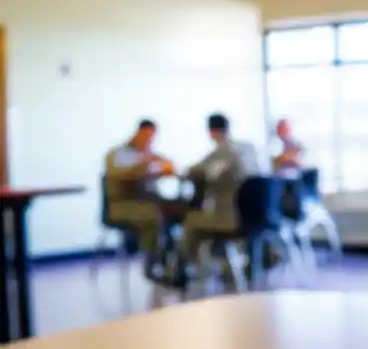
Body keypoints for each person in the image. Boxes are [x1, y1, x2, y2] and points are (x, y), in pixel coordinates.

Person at [178, 113, 264, 276]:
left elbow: (197, 172)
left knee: (190, 222)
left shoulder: (222, 153)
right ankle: (224, 262)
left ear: (211, 132)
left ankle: (184, 273)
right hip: (258, 217)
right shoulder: (249, 148)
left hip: (233, 219)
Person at [104, 119, 175, 275]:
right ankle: (152, 265)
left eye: (151, 137)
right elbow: (121, 173)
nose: (148, 140)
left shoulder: (149, 154)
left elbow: (170, 165)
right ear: (137, 133)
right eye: (146, 136)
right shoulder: (118, 154)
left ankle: (177, 262)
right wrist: (144, 162)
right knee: (152, 216)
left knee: (180, 208)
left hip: (149, 200)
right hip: (123, 205)